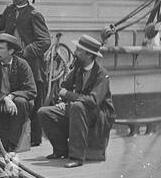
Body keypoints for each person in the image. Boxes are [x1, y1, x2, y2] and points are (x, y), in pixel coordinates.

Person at [0, 0, 52, 145]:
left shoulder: (34, 14)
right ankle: (16, 139)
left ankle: (35, 140)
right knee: (18, 102)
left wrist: (24, 52)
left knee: (35, 104)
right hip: (15, 66)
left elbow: (44, 41)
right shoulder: (9, 11)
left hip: (32, 66)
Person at [37, 35, 114, 168]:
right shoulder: (77, 69)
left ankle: (77, 157)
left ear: (89, 55)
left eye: (79, 50)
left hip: (98, 114)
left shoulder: (102, 75)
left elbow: (93, 100)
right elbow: (64, 87)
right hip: (77, 109)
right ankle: (61, 150)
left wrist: (68, 95)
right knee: (44, 112)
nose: (75, 53)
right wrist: (61, 100)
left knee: (77, 107)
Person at [0, 33, 37, 152]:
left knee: (21, 102)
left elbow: (31, 90)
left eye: (0, 48)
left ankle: (11, 144)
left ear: (11, 51)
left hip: (16, 104)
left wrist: (12, 96)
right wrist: (4, 99)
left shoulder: (22, 65)